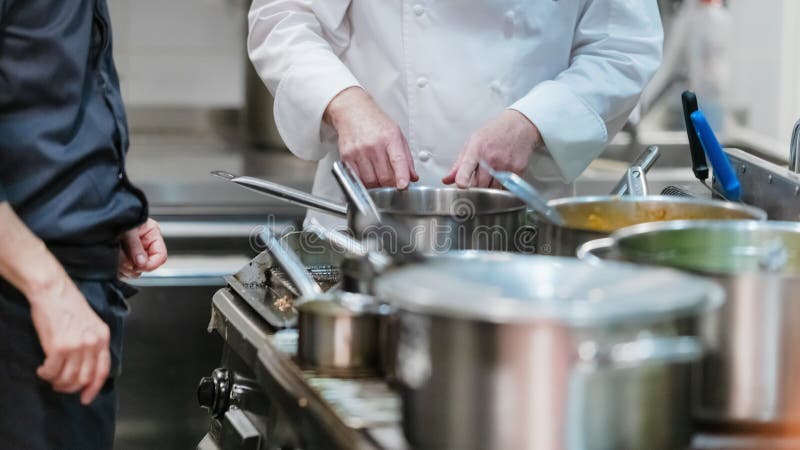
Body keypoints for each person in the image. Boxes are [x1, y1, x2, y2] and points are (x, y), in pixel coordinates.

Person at [248, 0, 663, 226]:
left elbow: (623, 48)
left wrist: (534, 121)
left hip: (520, 230)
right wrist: (345, 103)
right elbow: (282, 17)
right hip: (366, 218)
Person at [0, 1, 167, 448]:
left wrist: (101, 209)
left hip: (60, 290)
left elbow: (41, 107)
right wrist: (47, 288)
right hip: (25, 302)